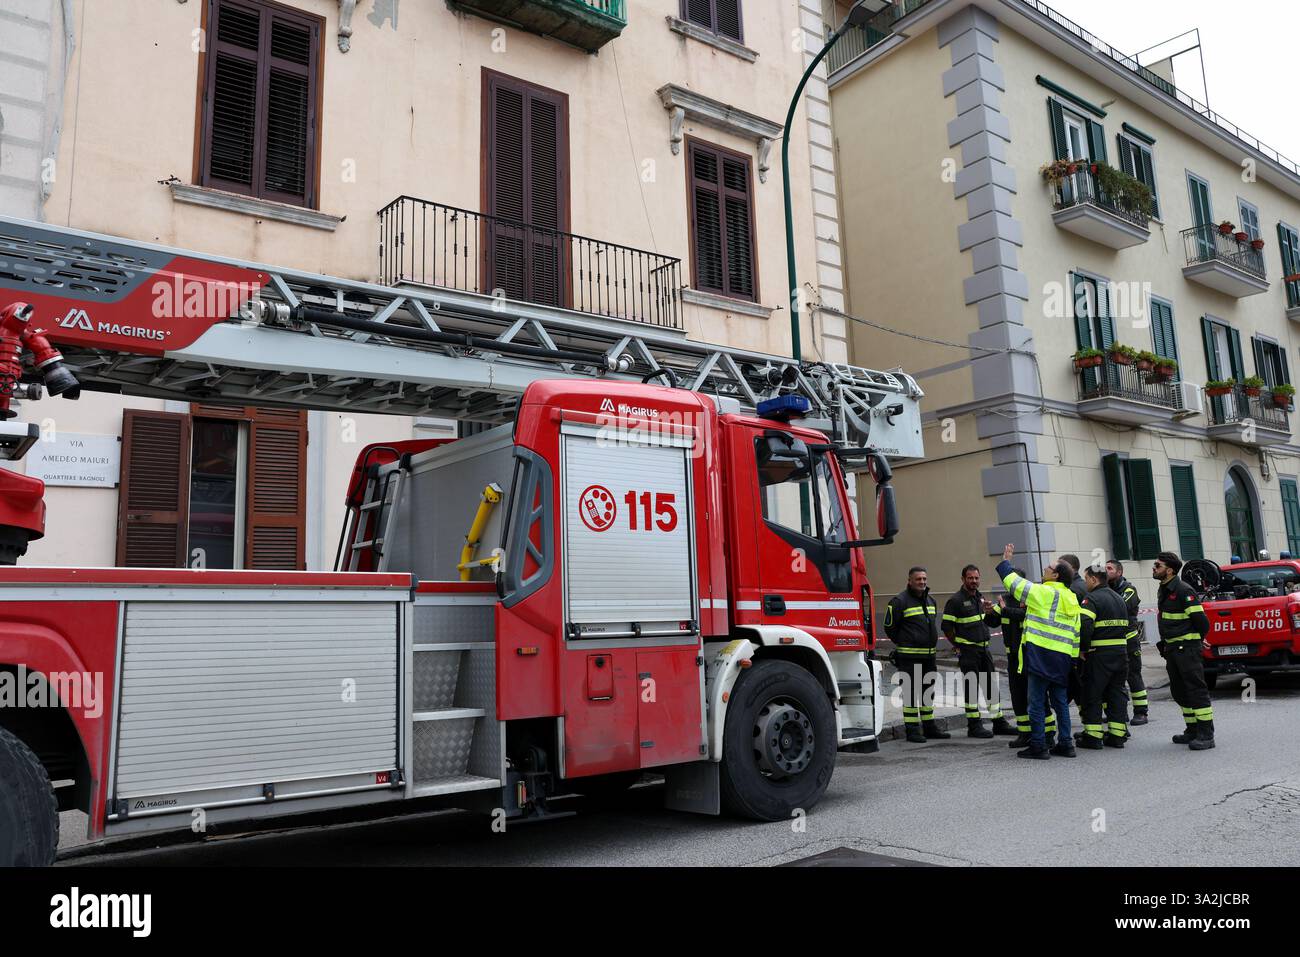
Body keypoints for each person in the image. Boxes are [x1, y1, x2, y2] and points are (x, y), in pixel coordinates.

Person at [996, 544, 1081, 759]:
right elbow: (1076, 631)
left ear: (1056, 575)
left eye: (1048, 568)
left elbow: (1014, 584)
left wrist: (1006, 561)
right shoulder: (1071, 597)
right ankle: (1066, 744)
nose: (1044, 570)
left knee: (1035, 702)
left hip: (1041, 655)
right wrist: (1072, 659)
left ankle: (1038, 746)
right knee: (1060, 703)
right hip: (1062, 658)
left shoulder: (1045, 592)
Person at [986, 569, 1059, 749]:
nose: (1009, 586)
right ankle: (1025, 733)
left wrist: (1005, 610)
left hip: (1030, 655)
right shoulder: (1004, 599)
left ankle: (1048, 733)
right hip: (1013, 658)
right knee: (1017, 696)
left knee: (1037, 696)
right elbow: (992, 622)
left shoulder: (1032, 597)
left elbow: (1024, 615)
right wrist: (987, 611)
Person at [943, 565, 1016, 738]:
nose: (974, 581)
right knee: (972, 688)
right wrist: (957, 644)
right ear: (963, 579)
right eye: (970, 578)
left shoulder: (980, 598)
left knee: (990, 686)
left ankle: (998, 722)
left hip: (984, 649)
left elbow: (986, 621)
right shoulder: (955, 601)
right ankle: (974, 725)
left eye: (976, 578)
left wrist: (990, 612)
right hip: (968, 651)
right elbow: (946, 626)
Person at [1153, 552, 1215, 750]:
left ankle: (1206, 734)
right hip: (1173, 649)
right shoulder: (1164, 588)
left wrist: (1196, 639)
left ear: (1169, 570)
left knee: (1196, 690)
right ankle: (1192, 729)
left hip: (1186, 649)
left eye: (1158, 565)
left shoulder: (1183, 590)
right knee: (1179, 691)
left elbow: (1202, 623)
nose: (1154, 568)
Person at [884, 566, 950, 744]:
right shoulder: (899, 601)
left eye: (924, 579)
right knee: (911, 694)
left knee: (928, 693)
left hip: (929, 656)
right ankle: (912, 730)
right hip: (908, 657)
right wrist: (905, 641)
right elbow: (889, 627)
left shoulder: (930, 600)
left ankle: (929, 727)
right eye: (918, 579)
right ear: (910, 581)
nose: (922, 582)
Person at [1075, 565, 1132, 749]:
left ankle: (1092, 736)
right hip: (1121, 654)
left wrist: (1083, 648)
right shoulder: (1118, 598)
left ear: (1093, 579)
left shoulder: (1091, 599)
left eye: (1086, 579)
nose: (1085, 583)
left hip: (1098, 655)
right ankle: (1117, 735)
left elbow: (1085, 626)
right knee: (1116, 693)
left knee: (1092, 693)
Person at [1106, 559, 1148, 724]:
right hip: (1112, 641)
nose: (1106, 571)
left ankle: (1141, 712)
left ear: (1119, 572)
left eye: (1110, 568)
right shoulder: (1106, 589)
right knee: (1114, 679)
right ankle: (1119, 714)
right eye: (1105, 568)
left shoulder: (1129, 589)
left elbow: (1118, 607)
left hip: (1129, 641)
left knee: (1133, 675)